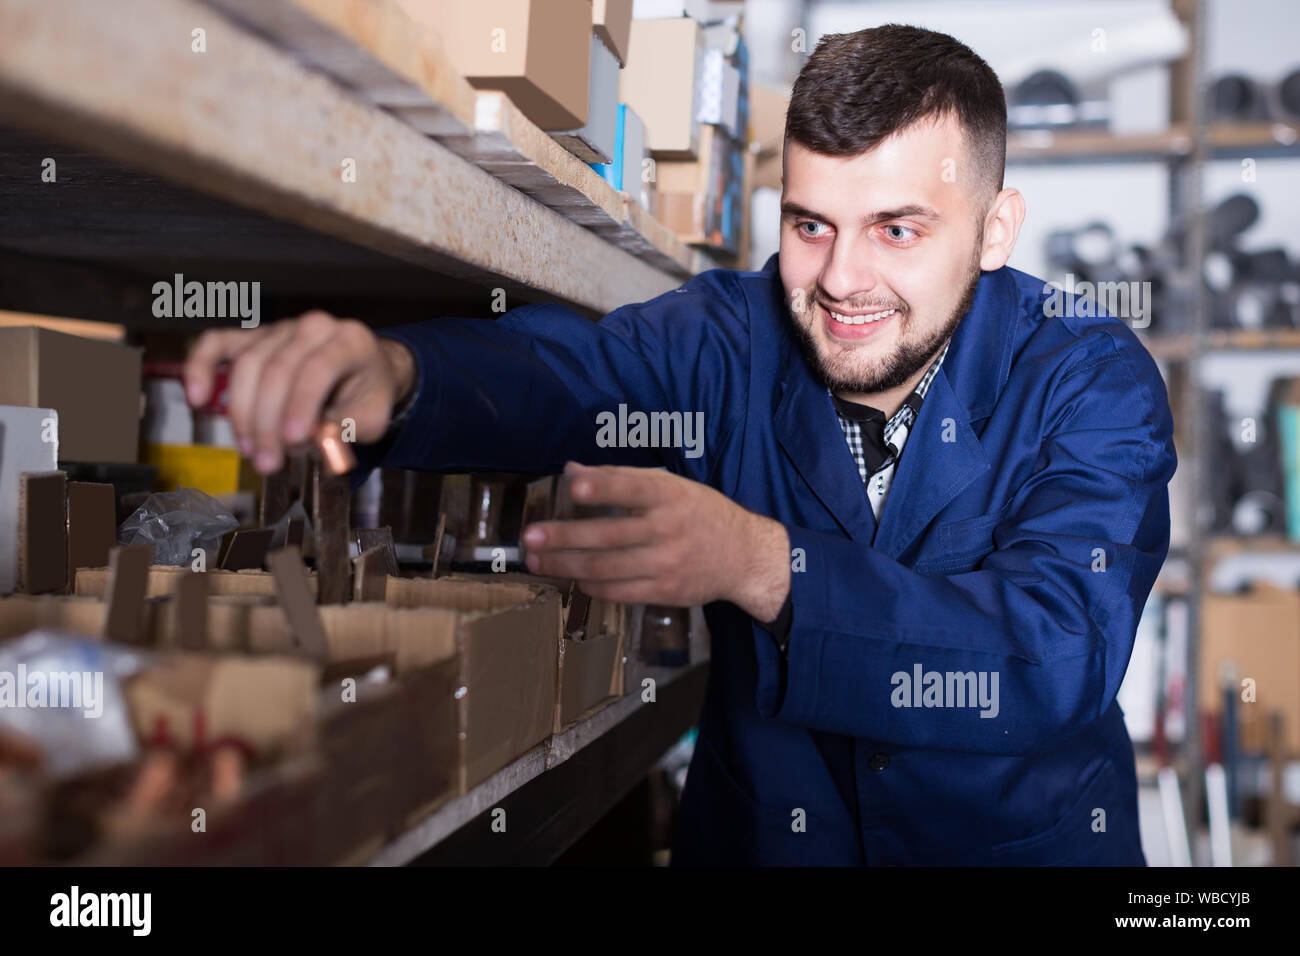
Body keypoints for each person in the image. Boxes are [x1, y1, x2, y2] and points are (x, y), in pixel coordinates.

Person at [184, 24, 1176, 865]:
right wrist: (398, 376)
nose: (841, 278)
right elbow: (568, 373)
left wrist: (762, 563)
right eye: (810, 225)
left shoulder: (1088, 374)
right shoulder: (734, 332)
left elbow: (1056, 648)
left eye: (897, 230)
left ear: (995, 229)